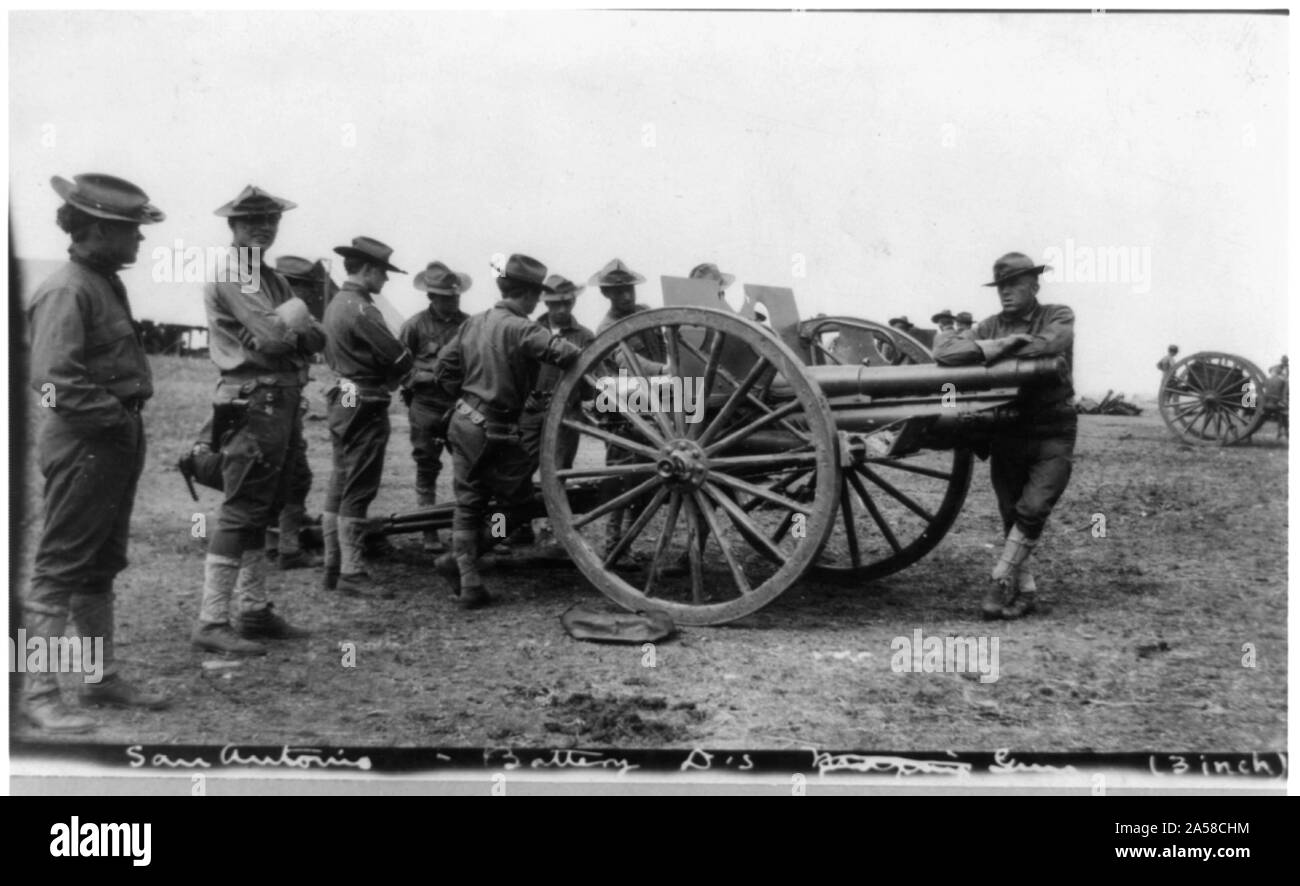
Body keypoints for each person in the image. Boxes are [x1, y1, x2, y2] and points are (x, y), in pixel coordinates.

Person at [22, 173, 171, 731]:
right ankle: (36, 693)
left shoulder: (103, 282)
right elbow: (51, 382)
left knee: (99, 564)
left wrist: (122, 427)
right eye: (130, 230)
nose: (139, 240)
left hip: (112, 440)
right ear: (97, 231)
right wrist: (113, 419)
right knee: (59, 568)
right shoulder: (69, 289)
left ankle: (98, 680)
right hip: (88, 441)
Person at [193, 185, 324, 655]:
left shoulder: (268, 276)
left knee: (264, 506)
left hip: (280, 399)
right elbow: (272, 337)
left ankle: (252, 610)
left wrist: (293, 327)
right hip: (253, 399)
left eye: (271, 220)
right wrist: (294, 325)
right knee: (241, 506)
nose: (264, 229)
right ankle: (211, 621)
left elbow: (315, 339)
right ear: (233, 226)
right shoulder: (235, 272)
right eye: (252, 222)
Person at [431, 254, 583, 608]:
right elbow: (566, 354)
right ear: (530, 295)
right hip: (498, 428)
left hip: (465, 420)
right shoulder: (523, 328)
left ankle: (466, 574)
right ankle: (466, 562)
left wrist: (467, 394)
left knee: (469, 501)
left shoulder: (474, 323)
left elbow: (444, 367)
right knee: (517, 505)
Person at [934, 251, 1076, 620]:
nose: (1006, 293)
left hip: (1052, 429)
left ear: (1034, 284)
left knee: (1034, 508)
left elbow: (1050, 345)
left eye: (1014, 285)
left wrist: (999, 354)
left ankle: (998, 580)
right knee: (1011, 512)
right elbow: (946, 351)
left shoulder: (1058, 315)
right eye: (1001, 287)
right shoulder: (990, 327)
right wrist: (997, 346)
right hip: (1008, 431)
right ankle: (1026, 592)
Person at [321, 237, 414, 597]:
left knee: (340, 480)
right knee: (360, 484)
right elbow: (398, 357)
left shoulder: (335, 304)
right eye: (383, 273)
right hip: (365, 399)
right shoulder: (363, 310)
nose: (386, 281)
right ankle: (352, 571)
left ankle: (332, 565)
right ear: (369, 270)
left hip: (343, 396)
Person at [592, 258, 667, 557]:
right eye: (618, 291)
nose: (626, 295)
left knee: (649, 480)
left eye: (628, 289)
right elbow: (628, 362)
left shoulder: (645, 313)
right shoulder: (608, 328)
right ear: (606, 295)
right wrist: (665, 369)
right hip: (623, 407)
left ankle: (627, 542)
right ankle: (613, 545)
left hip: (656, 402)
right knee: (620, 478)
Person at [398, 261, 472, 553]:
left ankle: (464, 530)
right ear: (432, 297)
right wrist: (428, 377)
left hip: (460, 405)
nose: (453, 302)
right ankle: (428, 530)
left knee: (467, 468)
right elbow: (400, 369)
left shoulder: (468, 324)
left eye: (456, 296)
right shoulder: (414, 326)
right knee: (426, 465)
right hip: (426, 404)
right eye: (446, 297)